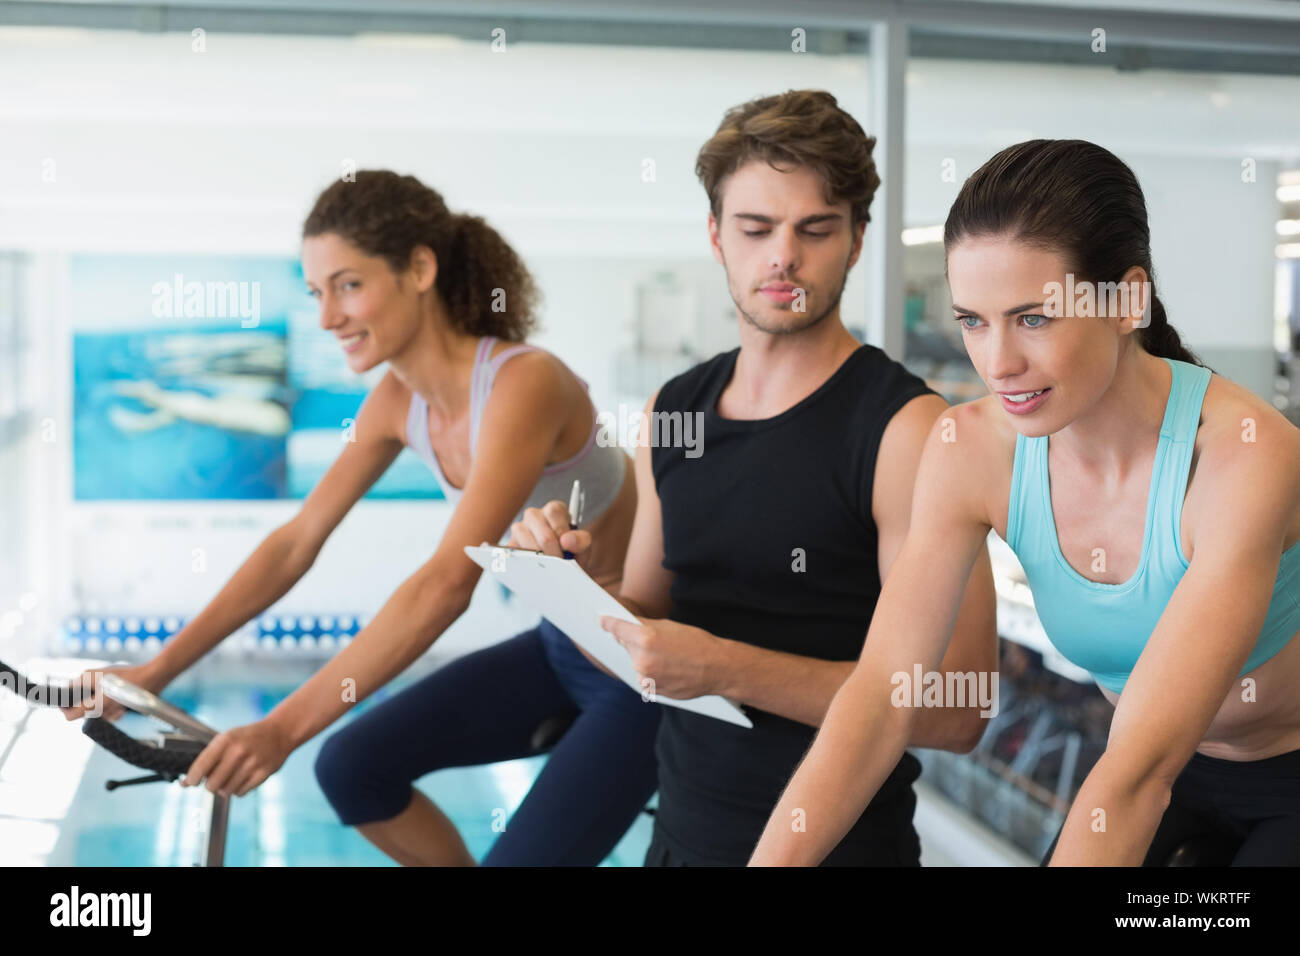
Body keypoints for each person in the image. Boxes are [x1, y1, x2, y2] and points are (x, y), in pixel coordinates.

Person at [63, 170, 661, 866]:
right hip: (562, 648)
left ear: (419, 268)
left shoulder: (524, 382)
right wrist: (157, 672)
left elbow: (446, 583)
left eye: (348, 285)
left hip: (637, 669)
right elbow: (295, 544)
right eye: (317, 292)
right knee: (352, 767)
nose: (326, 317)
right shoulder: (395, 402)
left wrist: (281, 729)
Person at [750, 139, 1300, 867]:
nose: (998, 363)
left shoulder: (1242, 454)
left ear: (1127, 299)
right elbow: (884, 692)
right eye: (973, 320)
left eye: (1034, 318)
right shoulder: (969, 448)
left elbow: (1136, 782)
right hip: (1161, 765)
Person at [509, 89, 1000, 866]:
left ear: (857, 239)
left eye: (815, 229)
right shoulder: (678, 409)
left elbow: (959, 707)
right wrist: (565, 585)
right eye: (756, 228)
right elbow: (643, 634)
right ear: (715, 236)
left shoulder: (908, 431)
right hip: (680, 840)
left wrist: (727, 667)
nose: (784, 256)